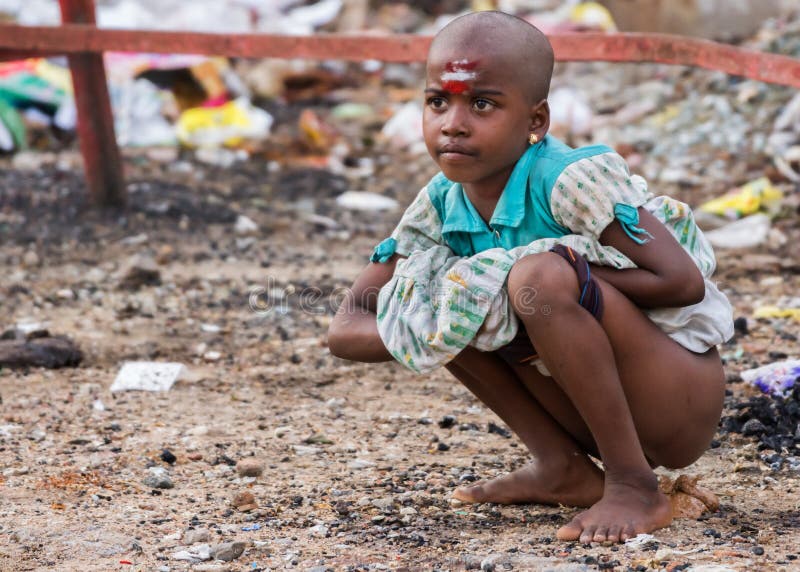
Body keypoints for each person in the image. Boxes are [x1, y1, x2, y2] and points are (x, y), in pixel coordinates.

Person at [327, 10, 733, 544]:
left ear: (536, 122)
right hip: (588, 406)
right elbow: (345, 329)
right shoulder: (441, 203)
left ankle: (635, 485)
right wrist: (462, 309)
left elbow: (682, 281)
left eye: (482, 103)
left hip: (674, 400)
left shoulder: (568, 180)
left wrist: (556, 290)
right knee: (454, 294)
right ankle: (560, 466)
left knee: (529, 280)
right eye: (436, 102)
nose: (453, 123)